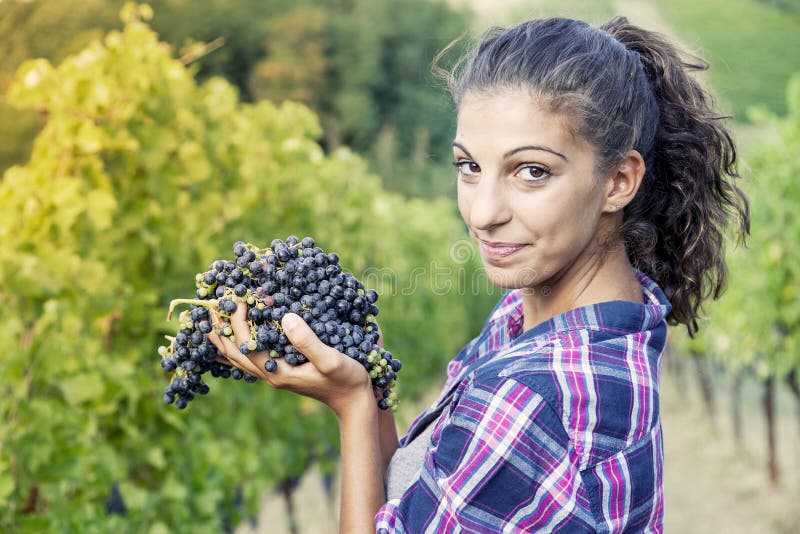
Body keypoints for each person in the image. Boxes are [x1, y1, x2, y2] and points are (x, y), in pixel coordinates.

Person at [209, 15, 749, 533]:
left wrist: (351, 408)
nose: (483, 212)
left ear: (618, 181)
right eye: (469, 167)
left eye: (532, 172)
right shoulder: (551, 317)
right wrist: (369, 390)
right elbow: (430, 500)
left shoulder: (530, 397)